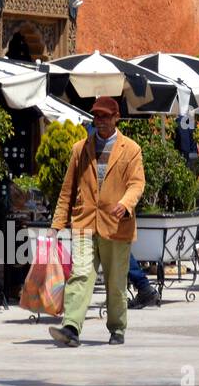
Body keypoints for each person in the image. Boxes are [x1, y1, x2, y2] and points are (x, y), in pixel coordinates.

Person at [47, 97, 146, 347]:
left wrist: (125, 203)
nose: (99, 121)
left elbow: (137, 183)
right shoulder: (80, 149)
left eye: (105, 116)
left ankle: (117, 327)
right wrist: (56, 225)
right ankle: (71, 326)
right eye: (96, 116)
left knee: (115, 282)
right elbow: (67, 189)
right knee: (80, 275)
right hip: (84, 223)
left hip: (116, 225)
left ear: (116, 118)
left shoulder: (131, 149)